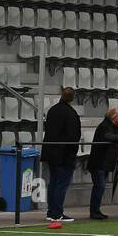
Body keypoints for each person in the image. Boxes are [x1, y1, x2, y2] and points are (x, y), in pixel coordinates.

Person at [43, 87, 82, 222]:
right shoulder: (70, 113)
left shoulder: (52, 110)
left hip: (51, 152)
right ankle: (57, 212)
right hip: (64, 154)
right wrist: (72, 153)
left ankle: (51, 211)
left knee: (53, 182)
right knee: (61, 184)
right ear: (72, 98)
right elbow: (73, 136)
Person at [86, 107, 118, 220]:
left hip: (104, 162)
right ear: (114, 117)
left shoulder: (114, 126)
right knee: (100, 186)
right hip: (98, 162)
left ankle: (96, 210)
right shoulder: (104, 126)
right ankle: (94, 211)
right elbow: (108, 137)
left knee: (100, 187)